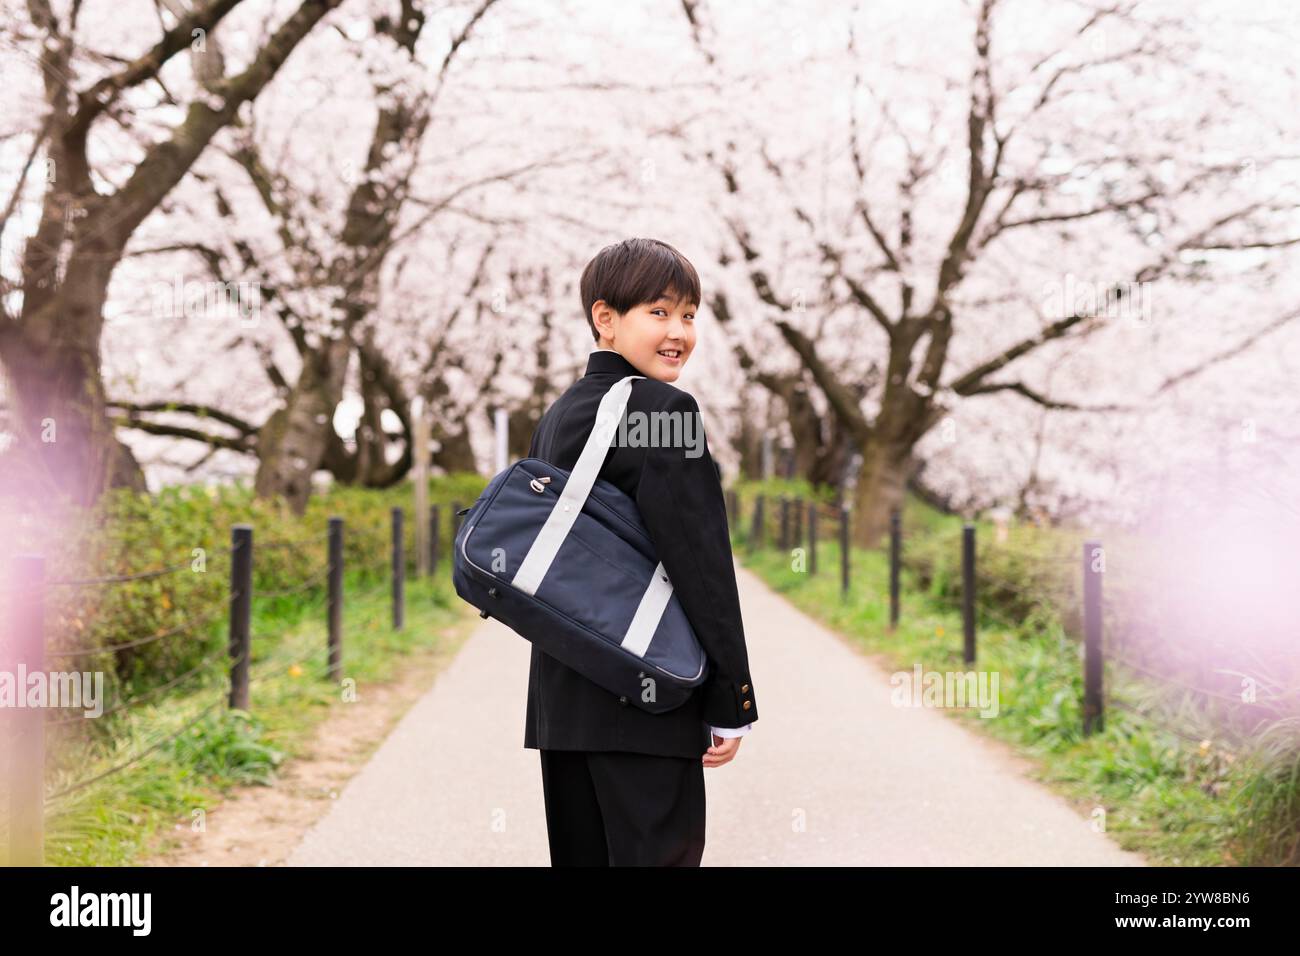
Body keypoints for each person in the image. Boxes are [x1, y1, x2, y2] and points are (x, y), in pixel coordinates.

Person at [524, 237, 759, 866]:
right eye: (658, 312)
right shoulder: (665, 411)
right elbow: (701, 566)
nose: (679, 332)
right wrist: (732, 699)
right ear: (605, 318)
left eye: (688, 315)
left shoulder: (563, 413)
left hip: (565, 702)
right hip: (648, 697)